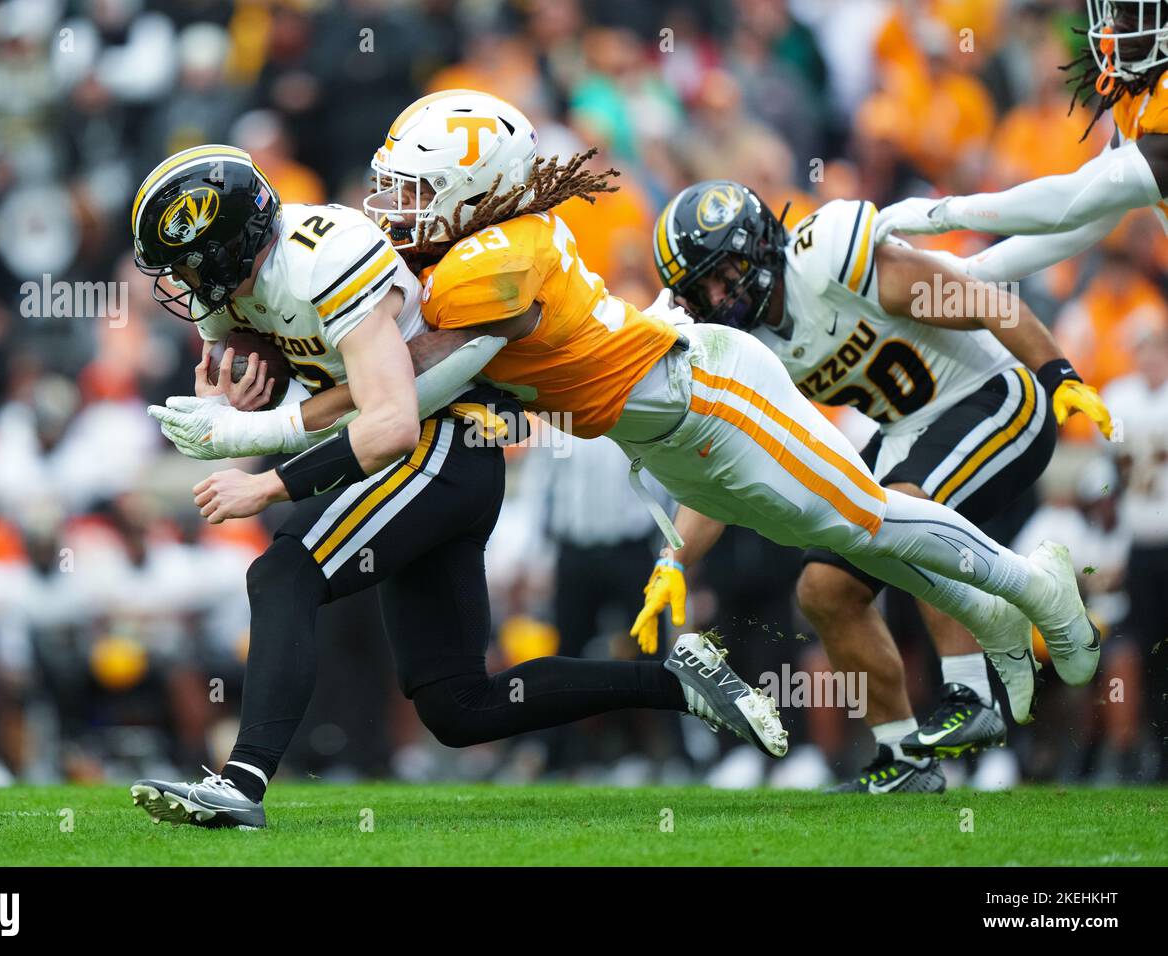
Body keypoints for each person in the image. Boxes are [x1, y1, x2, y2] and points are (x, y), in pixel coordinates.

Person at [167, 92, 1102, 766]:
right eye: (394, 188)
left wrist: (275, 429)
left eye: (417, 193)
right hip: (657, 442)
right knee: (837, 536)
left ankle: (1038, 591)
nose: (394, 210)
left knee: (865, 515)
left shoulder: (490, 261)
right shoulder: (455, 252)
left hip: (701, 397)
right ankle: (985, 611)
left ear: (480, 192)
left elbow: (400, 392)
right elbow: (386, 375)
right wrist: (274, 362)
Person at [131, 145, 785, 829]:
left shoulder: (321, 259)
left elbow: (387, 422)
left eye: (188, 262)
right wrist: (235, 399)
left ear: (232, 245)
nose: (182, 281)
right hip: (432, 456)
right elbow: (276, 370)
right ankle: (679, 683)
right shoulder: (243, 281)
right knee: (458, 705)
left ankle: (242, 784)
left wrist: (267, 486)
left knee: (283, 572)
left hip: (443, 442)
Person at [645, 179, 1115, 793]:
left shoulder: (826, 262)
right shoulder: (742, 351)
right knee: (823, 589)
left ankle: (970, 691)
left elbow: (980, 300)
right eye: (699, 287)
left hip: (993, 391)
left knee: (908, 513)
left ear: (758, 244)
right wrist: (673, 560)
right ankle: (902, 762)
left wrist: (1058, 374)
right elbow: (725, 470)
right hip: (907, 432)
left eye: (723, 272)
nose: (716, 294)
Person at [873, 1, 1168, 286]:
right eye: (1119, 12)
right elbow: (1089, 220)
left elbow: (1071, 202)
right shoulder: (1142, 93)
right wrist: (968, 272)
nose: (1116, 28)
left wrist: (944, 214)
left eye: (1134, 15)